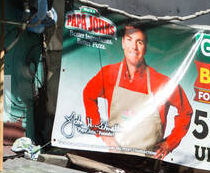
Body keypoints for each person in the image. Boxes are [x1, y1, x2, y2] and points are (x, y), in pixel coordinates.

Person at [81, 22, 192, 157]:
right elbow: (88, 94)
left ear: (145, 48)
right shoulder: (109, 73)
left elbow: (186, 111)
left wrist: (170, 143)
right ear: (122, 43)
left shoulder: (162, 82)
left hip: (148, 160)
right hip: (114, 155)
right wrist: (101, 131)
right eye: (129, 40)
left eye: (139, 42)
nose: (134, 47)